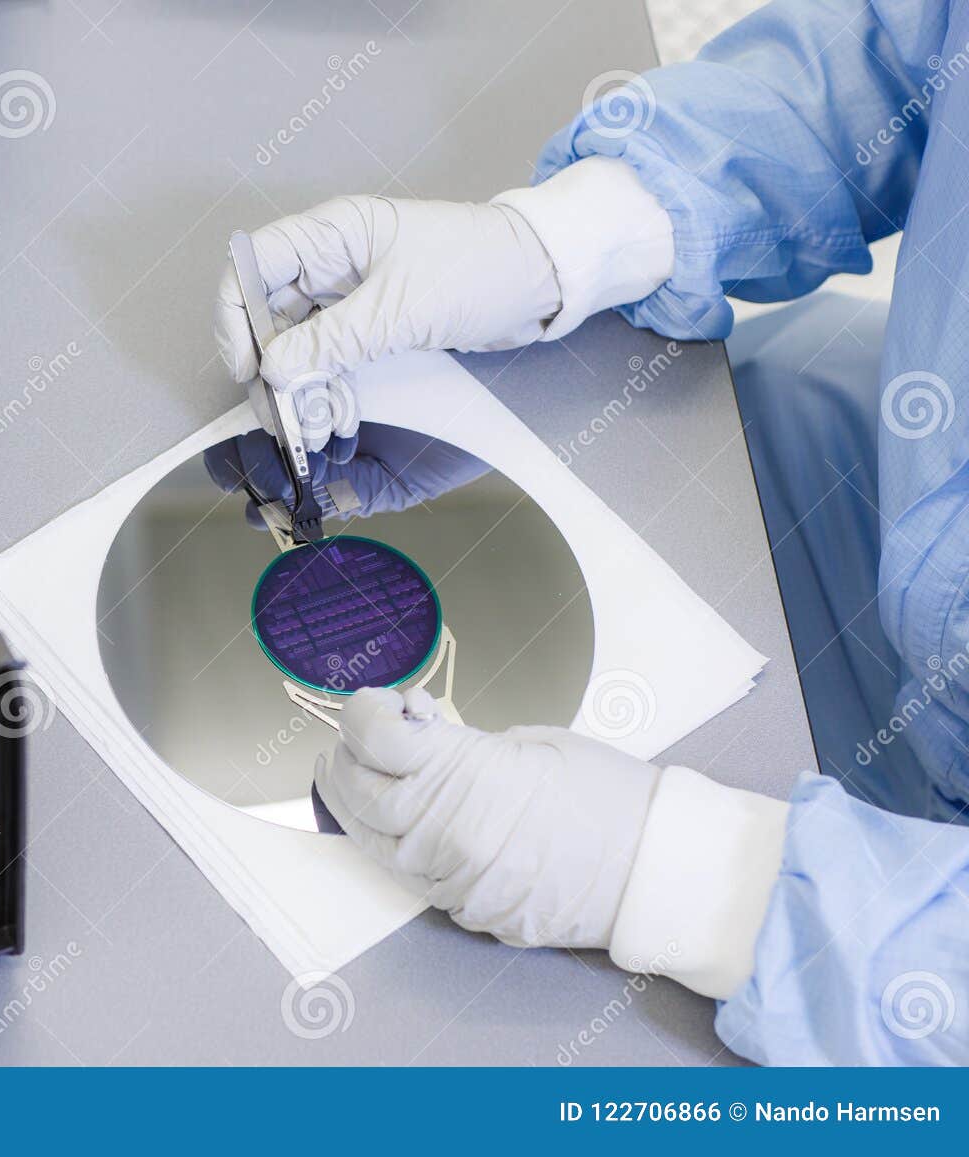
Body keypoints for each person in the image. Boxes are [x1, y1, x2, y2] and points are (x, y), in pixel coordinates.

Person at [212, 0, 969, 1065]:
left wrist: (700, 882)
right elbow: (906, 57)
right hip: (901, 473)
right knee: (756, 398)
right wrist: (567, 239)